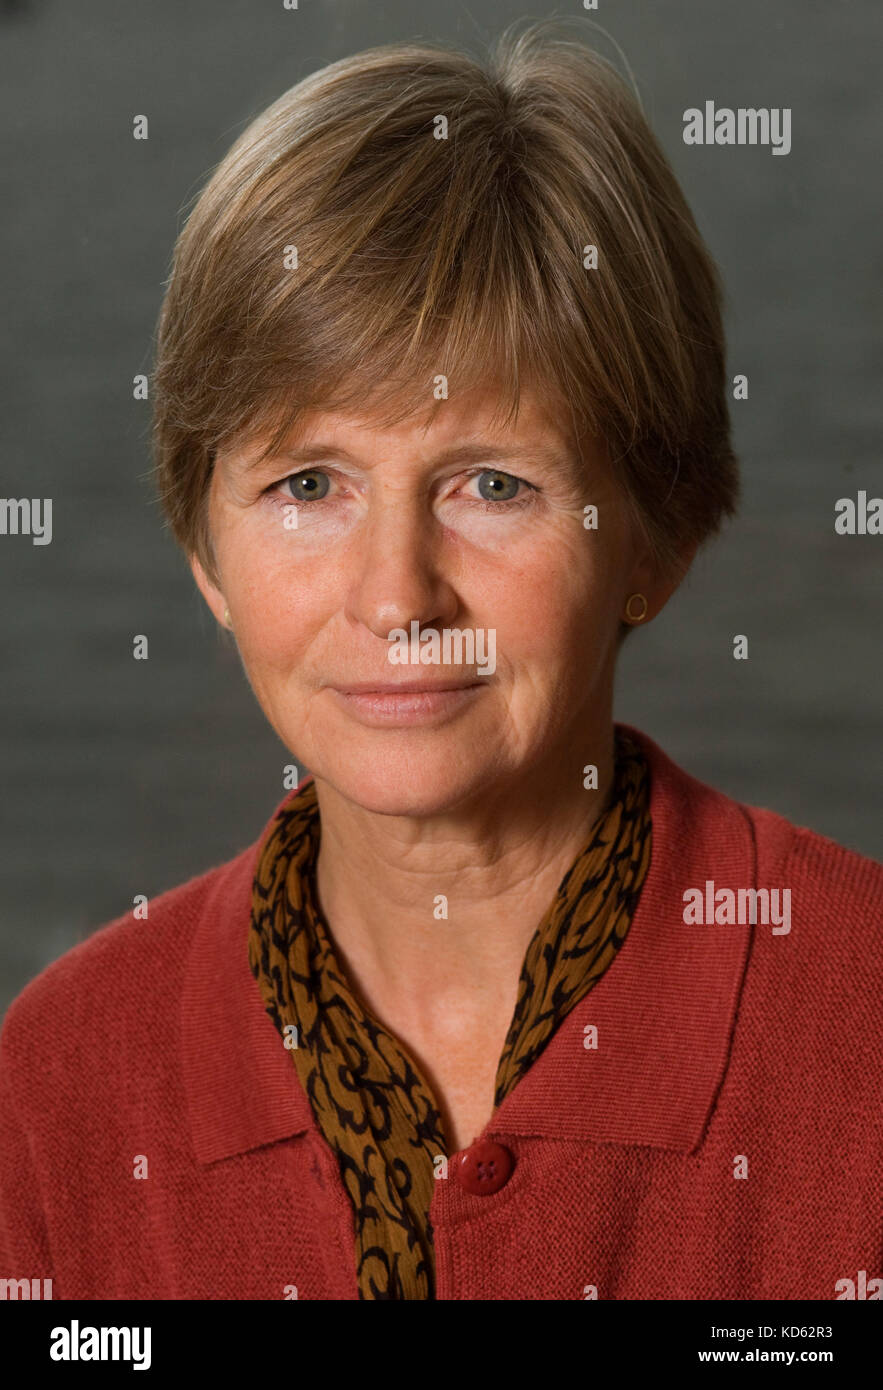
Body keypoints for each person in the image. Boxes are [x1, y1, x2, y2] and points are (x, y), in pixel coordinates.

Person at [1, 19, 880, 1302]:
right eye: (308, 483)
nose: (396, 594)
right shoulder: (58, 1082)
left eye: (491, 482)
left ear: (657, 534)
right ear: (204, 550)